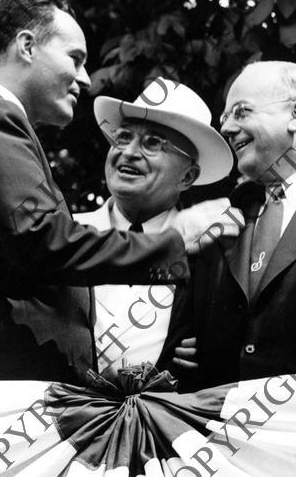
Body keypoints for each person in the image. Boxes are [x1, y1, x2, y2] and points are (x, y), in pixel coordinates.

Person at [0, 0, 237, 384]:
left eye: (153, 143)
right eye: (75, 58)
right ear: (27, 46)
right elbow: (44, 241)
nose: (85, 78)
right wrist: (177, 238)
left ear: (188, 175)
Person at [166, 61, 296, 389]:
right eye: (225, 118)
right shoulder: (223, 218)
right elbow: (184, 331)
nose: (228, 129)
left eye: (241, 112)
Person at [74, 79, 232, 380]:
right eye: (122, 137)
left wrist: (213, 348)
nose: (129, 152)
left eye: (152, 143)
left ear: (187, 177)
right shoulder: (69, 231)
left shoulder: (214, 251)